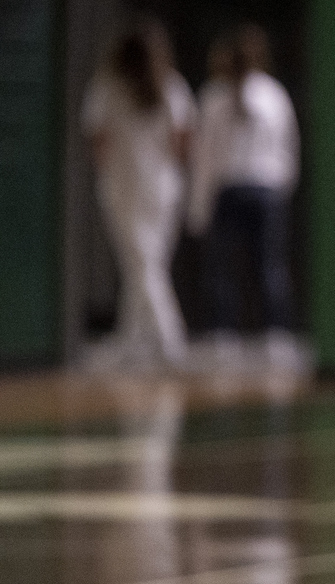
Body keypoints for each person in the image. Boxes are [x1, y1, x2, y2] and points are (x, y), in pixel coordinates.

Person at [188, 24, 302, 371]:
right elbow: (288, 150)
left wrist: (199, 205)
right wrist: (282, 188)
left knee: (224, 268)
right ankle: (276, 337)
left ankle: (225, 336)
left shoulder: (215, 97)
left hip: (232, 189)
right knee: (268, 265)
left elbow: (205, 158)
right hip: (265, 190)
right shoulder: (274, 94)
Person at [82, 23, 195, 370]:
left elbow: (98, 141)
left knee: (144, 267)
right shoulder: (172, 86)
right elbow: (182, 142)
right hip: (163, 188)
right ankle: (132, 342)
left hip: (123, 187)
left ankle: (172, 342)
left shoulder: (106, 88)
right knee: (143, 265)